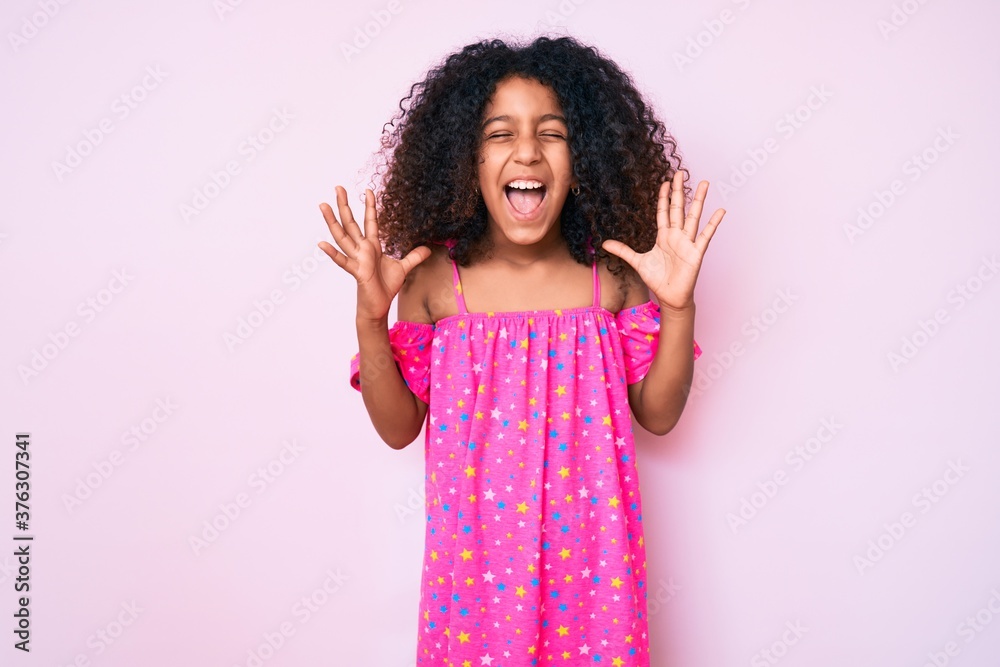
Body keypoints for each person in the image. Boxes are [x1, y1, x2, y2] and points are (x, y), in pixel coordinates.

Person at [318, 35, 724, 667]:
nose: (527, 150)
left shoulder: (612, 276)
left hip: (596, 579)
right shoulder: (431, 281)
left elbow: (660, 414)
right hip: (476, 584)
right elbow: (398, 429)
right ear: (464, 159)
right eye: (498, 133)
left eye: (553, 133)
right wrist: (371, 320)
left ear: (584, 154)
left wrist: (677, 308)